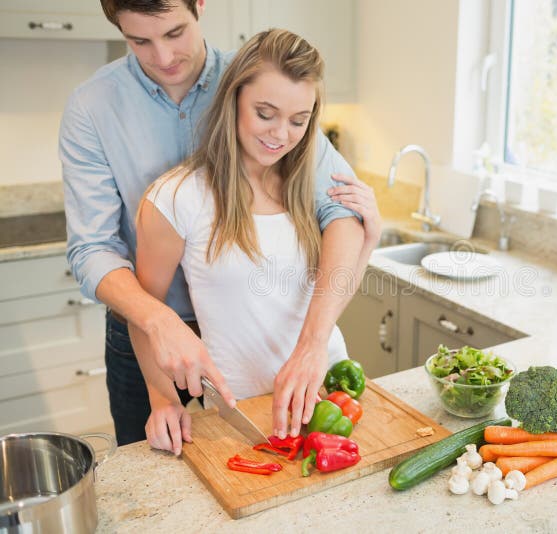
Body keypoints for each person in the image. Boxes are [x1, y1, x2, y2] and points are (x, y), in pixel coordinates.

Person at [59, 0, 380, 446]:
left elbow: (340, 209)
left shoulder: (257, 77)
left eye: (174, 33)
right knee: (155, 463)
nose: (164, 57)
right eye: (140, 41)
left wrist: (313, 344)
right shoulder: (92, 108)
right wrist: (156, 323)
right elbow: (91, 249)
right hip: (148, 326)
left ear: (200, 5)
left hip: (244, 338)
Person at [133, 28, 361, 454]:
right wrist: (162, 399)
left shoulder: (311, 185)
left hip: (330, 398)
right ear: (235, 98)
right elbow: (145, 317)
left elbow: (346, 262)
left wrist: (374, 230)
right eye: (265, 113)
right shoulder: (178, 197)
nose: (280, 134)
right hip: (239, 417)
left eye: (299, 120)